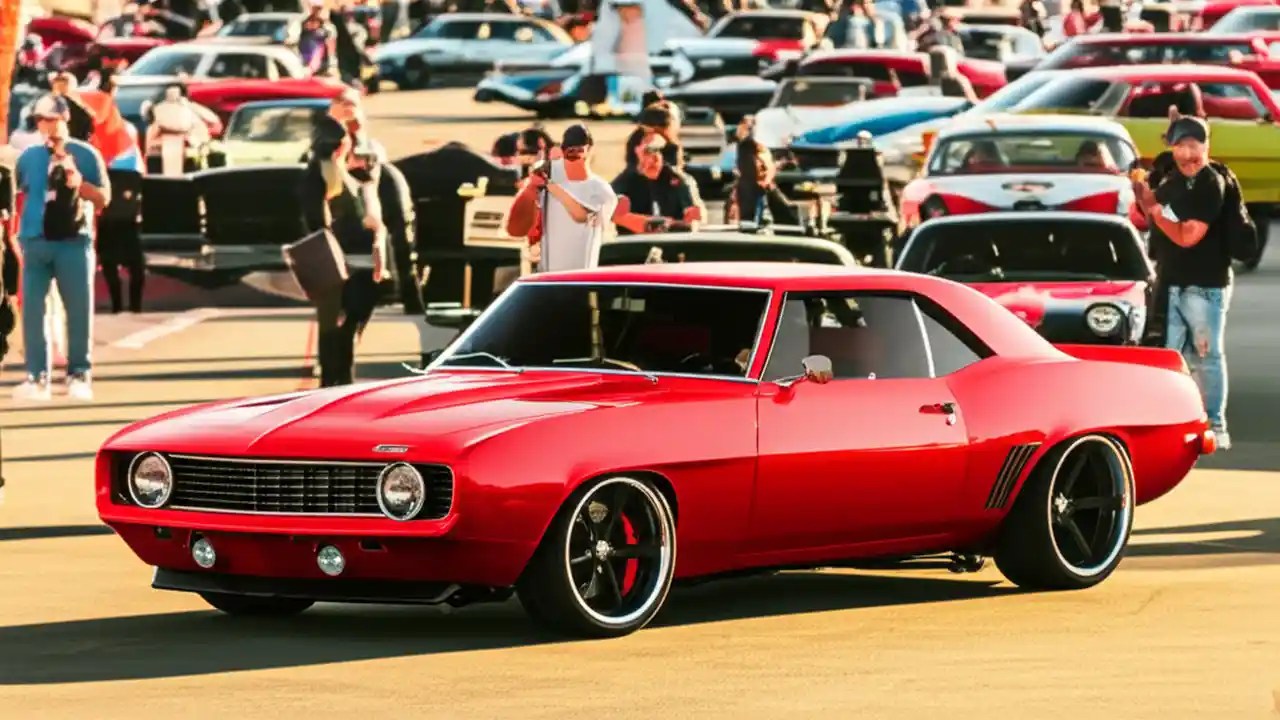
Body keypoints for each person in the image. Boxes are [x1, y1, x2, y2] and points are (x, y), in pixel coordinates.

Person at [1132, 114, 1233, 449]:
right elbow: (1142, 217)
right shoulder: (1175, 181)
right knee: (1170, 356)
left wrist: (1156, 211)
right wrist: (1141, 192)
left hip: (1204, 284)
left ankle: (1214, 427)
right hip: (1171, 281)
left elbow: (1188, 236)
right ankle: (1173, 425)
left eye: (1194, 145)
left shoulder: (1210, 183)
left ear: (1207, 147)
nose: (1188, 154)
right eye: (1181, 146)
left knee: (1206, 356)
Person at [13, 96, 111, 401]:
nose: (48, 125)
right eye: (42, 119)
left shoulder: (85, 153)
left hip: (74, 240)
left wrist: (78, 183)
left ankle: (79, 372)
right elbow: (21, 193)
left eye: (53, 118)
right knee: (33, 309)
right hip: (35, 240)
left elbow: (104, 198)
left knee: (78, 309)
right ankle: (36, 376)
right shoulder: (28, 156)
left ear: (65, 119)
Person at [300, 112, 388, 387]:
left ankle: (332, 384)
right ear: (342, 146)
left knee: (333, 331)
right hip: (352, 265)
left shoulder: (319, 176)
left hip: (332, 265)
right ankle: (336, 384)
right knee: (344, 330)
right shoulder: (336, 178)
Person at [505, 124, 618, 271]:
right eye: (570, 150)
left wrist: (553, 187)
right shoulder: (542, 182)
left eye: (579, 150)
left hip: (579, 280)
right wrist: (531, 188)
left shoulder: (600, 190)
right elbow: (515, 230)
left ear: (589, 150)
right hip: (541, 278)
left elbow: (582, 216)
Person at [611, 133, 704, 234]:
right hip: (635, 245)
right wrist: (650, 224)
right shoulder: (624, 183)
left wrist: (677, 224)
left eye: (661, 151)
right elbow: (613, 215)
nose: (656, 157)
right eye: (649, 151)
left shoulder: (677, 180)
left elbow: (695, 219)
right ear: (635, 152)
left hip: (674, 243)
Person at [298, 0, 339, 78]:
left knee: (327, 35)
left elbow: (324, 23)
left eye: (318, 8)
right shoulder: (303, 17)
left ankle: (330, 65)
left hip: (318, 47)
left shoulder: (327, 25)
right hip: (304, 45)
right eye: (315, 8)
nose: (316, 10)